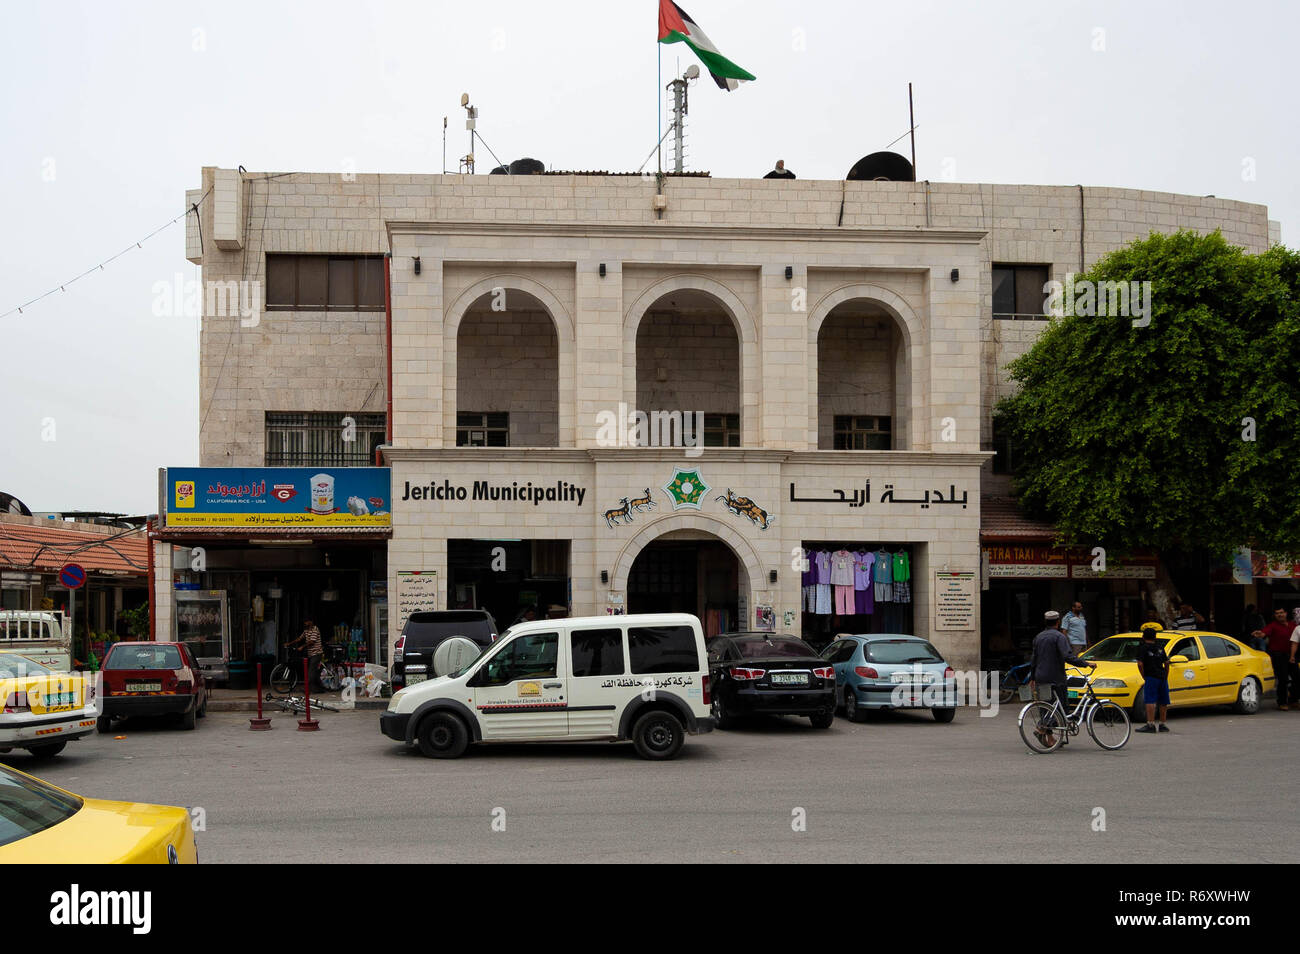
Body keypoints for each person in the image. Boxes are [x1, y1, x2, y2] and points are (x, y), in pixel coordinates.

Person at [1028, 610, 1096, 747]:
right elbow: (1067, 656)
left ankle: (1051, 738)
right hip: (1055, 677)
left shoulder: (1039, 637)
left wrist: (1033, 677)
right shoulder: (1059, 637)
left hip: (1041, 677)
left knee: (1046, 707)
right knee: (1062, 708)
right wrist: (1085, 664)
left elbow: (1033, 659)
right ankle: (1041, 728)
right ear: (1058, 622)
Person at [1134, 624, 1171, 733]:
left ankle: (1150, 724)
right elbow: (1167, 662)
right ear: (1155, 637)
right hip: (1162, 676)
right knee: (1163, 700)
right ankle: (1163, 724)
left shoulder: (1143, 648)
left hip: (1151, 676)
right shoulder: (1160, 647)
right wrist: (1166, 674)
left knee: (1150, 700)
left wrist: (1143, 675)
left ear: (1143, 637)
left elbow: (1140, 664)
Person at [1263, 607, 1297, 709]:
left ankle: (1293, 700)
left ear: (1286, 613)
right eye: (1277, 613)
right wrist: (1261, 634)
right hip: (1278, 656)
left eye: (1281, 613)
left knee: (1297, 677)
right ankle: (1282, 702)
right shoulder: (1273, 626)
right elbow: (1265, 632)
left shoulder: (1293, 625)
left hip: (1292, 655)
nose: (1280, 615)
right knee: (1283, 679)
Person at [287, 619, 324, 691]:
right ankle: (318, 688)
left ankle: (307, 689)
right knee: (313, 671)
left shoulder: (315, 629)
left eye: (307, 622)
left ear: (311, 622)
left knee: (310, 672)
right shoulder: (306, 630)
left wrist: (302, 647)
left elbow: (312, 641)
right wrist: (290, 643)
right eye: (305, 622)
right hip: (310, 654)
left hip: (316, 653)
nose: (305, 623)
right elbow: (300, 638)